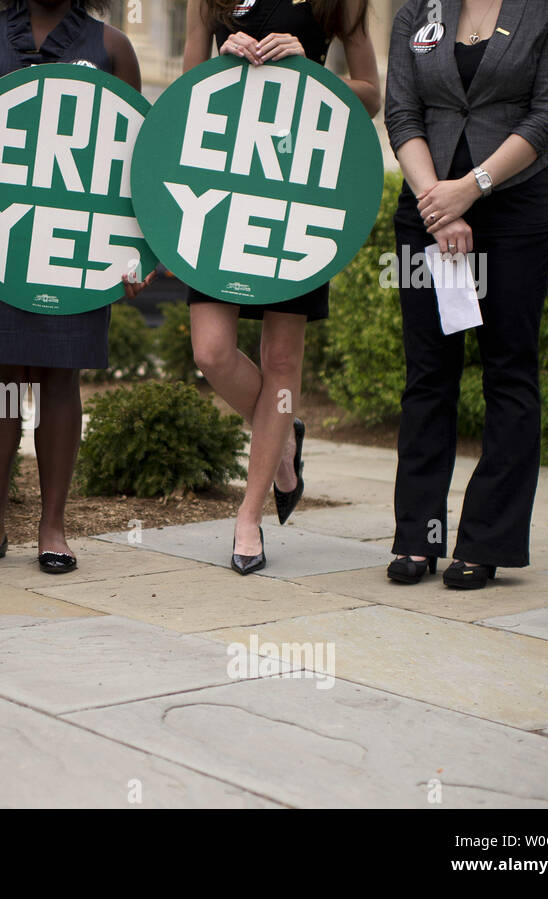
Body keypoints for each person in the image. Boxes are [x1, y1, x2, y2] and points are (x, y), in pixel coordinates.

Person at [0, 0, 152, 576]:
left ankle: (55, 528)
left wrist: (137, 254)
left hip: (75, 245)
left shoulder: (112, 47)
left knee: (60, 377)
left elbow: (139, 159)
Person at [384, 0, 548, 588]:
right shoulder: (416, 10)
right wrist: (438, 207)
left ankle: (487, 541)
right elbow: (402, 114)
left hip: (515, 212)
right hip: (424, 212)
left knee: (509, 373)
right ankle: (419, 538)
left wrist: (471, 189)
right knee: (427, 375)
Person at [184, 0, 380, 575]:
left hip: (299, 185)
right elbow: (184, 94)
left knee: (282, 362)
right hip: (221, 178)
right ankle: (284, 440)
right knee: (211, 352)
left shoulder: (337, 2)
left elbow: (372, 96)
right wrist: (220, 62)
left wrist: (318, 74)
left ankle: (249, 517)